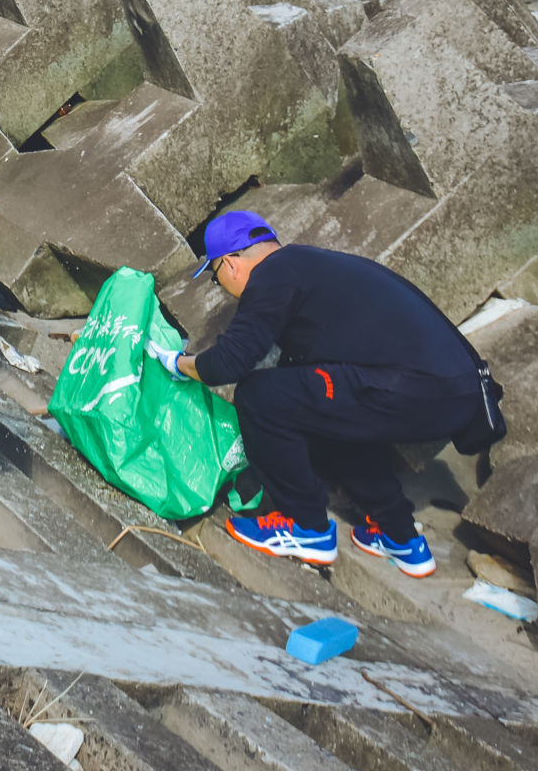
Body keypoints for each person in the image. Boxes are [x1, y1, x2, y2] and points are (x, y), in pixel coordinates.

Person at [146, 211, 494, 578]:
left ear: (230, 263)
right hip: (455, 393)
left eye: (216, 279)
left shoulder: (273, 275)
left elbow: (230, 363)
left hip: (412, 386)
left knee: (259, 396)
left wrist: (180, 363)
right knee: (322, 408)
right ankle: (401, 537)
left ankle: (306, 527)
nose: (223, 288)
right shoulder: (313, 267)